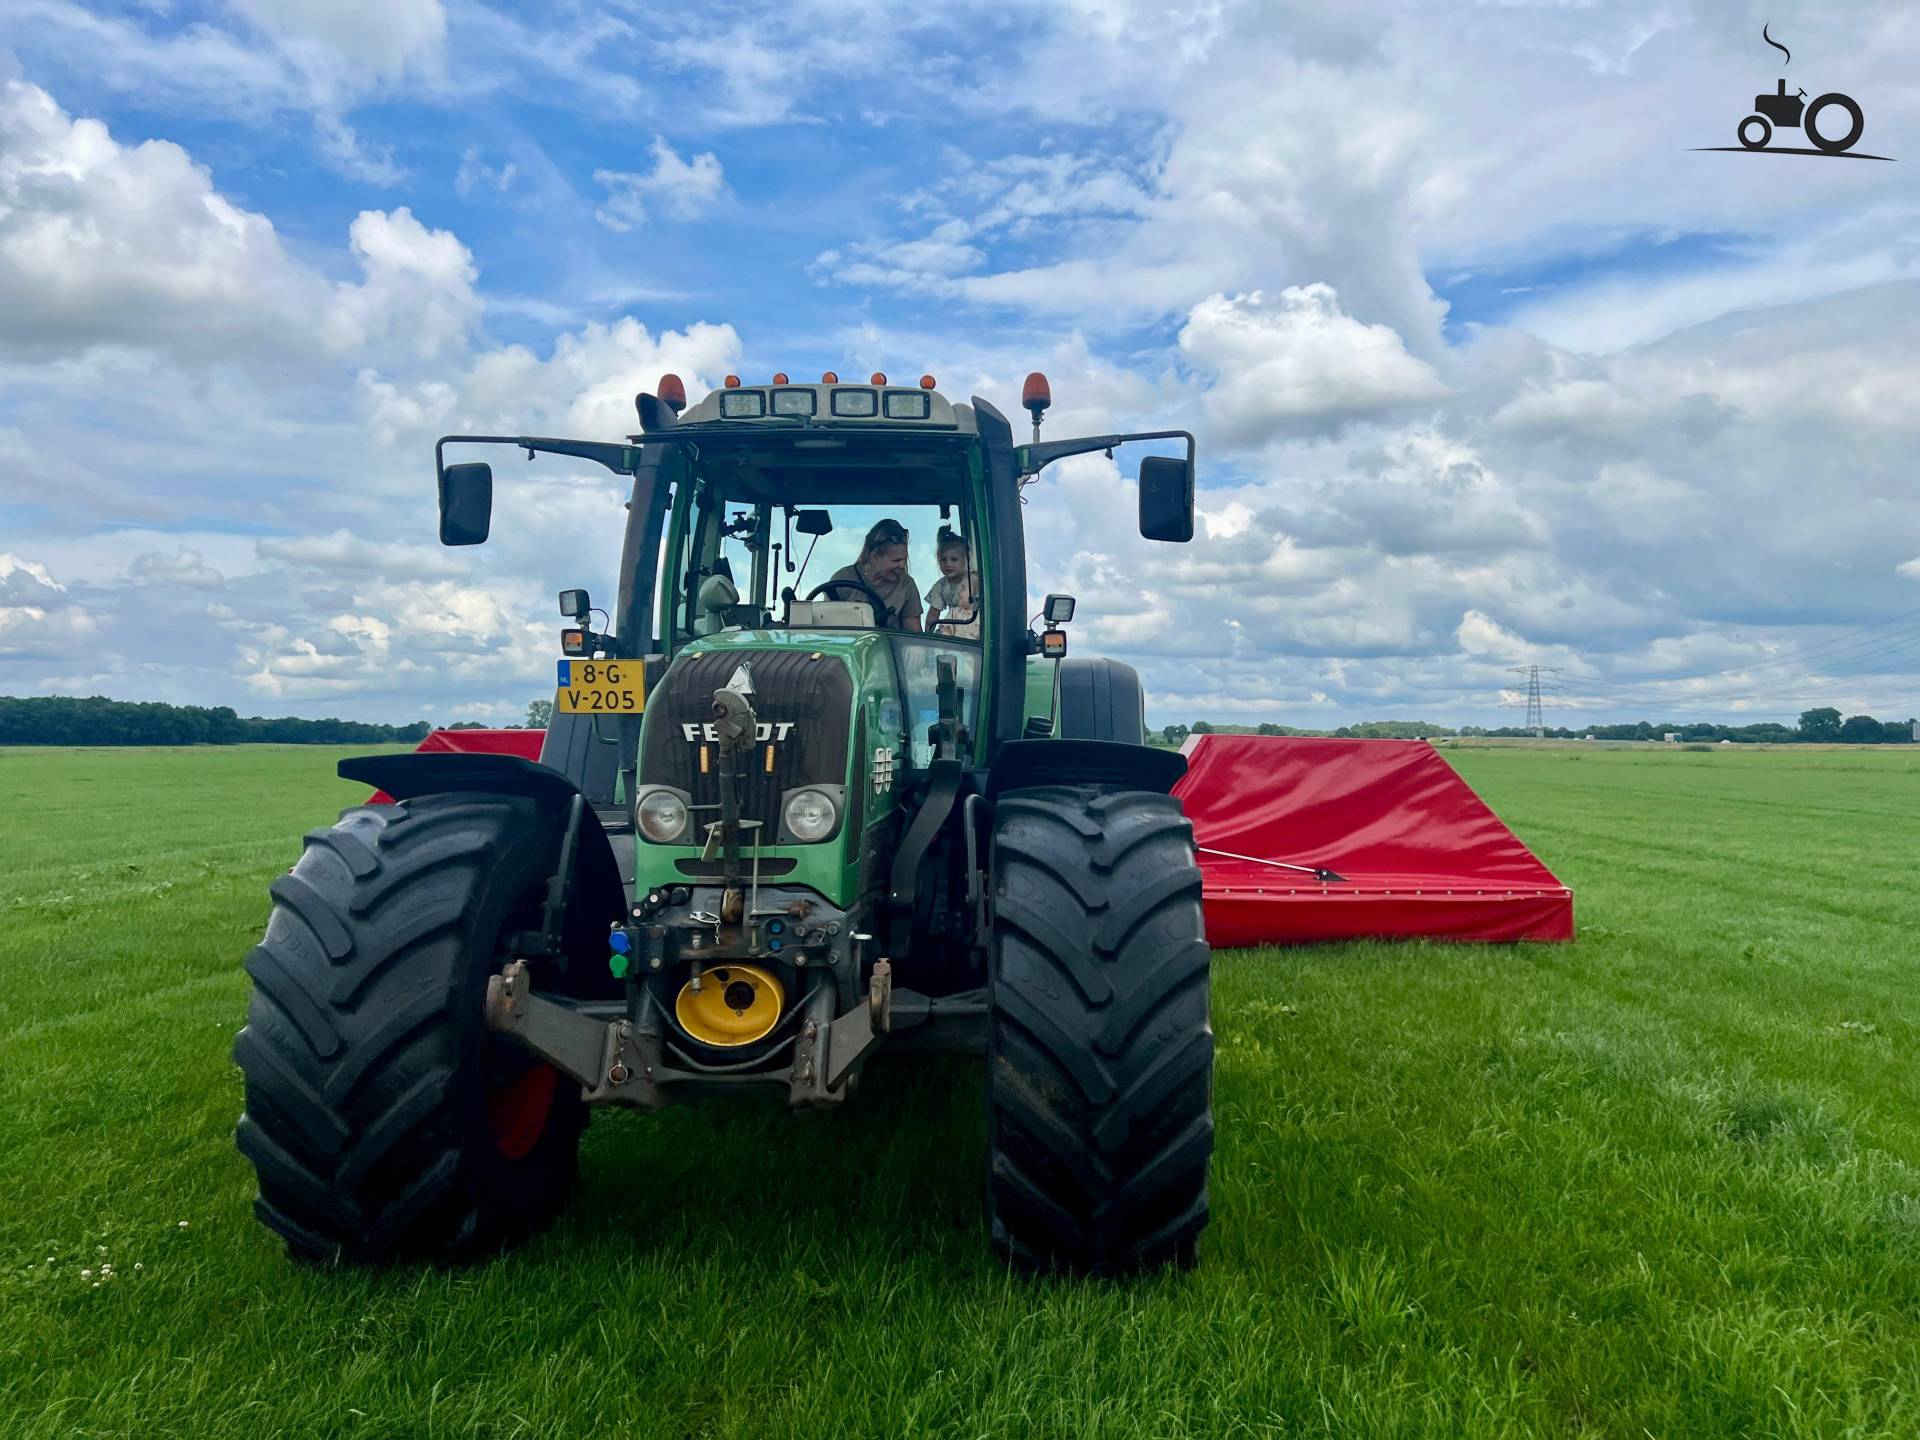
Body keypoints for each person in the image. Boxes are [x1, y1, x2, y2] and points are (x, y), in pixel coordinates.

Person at [825, 518, 921, 631]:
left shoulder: (906, 585)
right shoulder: (841, 580)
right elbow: (826, 625)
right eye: (896, 561)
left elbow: (913, 634)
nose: (902, 565)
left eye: (904, 559)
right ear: (874, 556)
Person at [924, 527, 981, 640]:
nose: (948, 564)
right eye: (943, 560)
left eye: (954, 559)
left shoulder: (975, 579)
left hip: (974, 625)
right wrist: (928, 636)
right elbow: (933, 615)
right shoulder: (941, 586)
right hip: (954, 627)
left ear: (966, 559)